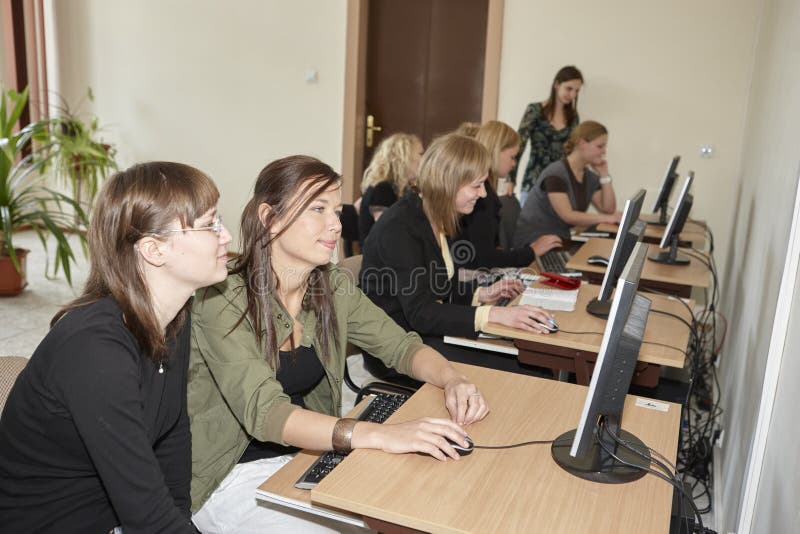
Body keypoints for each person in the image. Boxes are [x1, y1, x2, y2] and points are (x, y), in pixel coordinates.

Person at [189, 155, 489, 533]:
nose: (336, 224)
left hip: (305, 457)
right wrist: (380, 435)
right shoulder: (223, 297)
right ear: (269, 218)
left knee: (427, 498)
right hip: (228, 476)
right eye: (318, 209)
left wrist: (451, 379)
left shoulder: (330, 284)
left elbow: (401, 347)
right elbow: (267, 414)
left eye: (336, 209)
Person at [0, 162, 232, 533]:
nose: (227, 236)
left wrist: (182, 518)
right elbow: (146, 516)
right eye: (209, 225)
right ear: (154, 250)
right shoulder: (93, 349)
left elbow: (173, 434)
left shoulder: (173, 318)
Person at [360, 134, 556, 377]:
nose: (483, 194)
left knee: (533, 362)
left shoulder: (433, 216)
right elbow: (421, 312)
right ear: (447, 183)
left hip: (422, 334)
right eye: (476, 185)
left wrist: (480, 293)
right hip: (399, 347)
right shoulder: (399, 228)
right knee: (526, 370)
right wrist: (493, 314)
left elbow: (437, 285)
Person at [455, 120, 562, 270]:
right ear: (496, 151)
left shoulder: (485, 191)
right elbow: (486, 259)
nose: (514, 164)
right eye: (512, 157)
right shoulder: (481, 196)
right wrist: (531, 251)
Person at [513, 120, 622, 247]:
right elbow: (568, 216)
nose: (604, 151)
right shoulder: (555, 174)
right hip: (535, 241)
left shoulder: (588, 176)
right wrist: (608, 219)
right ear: (581, 143)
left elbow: (608, 208)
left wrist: (604, 175)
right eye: (600, 146)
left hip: (558, 238)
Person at [511, 65, 584, 204]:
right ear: (557, 85)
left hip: (561, 185)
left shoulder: (573, 117)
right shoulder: (535, 110)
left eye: (577, 91)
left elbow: (574, 152)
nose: (573, 95)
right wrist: (510, 179)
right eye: (569, 89)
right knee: (527, 224)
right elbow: (518, 145)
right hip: (534, 181)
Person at [358, 132, 423, 243]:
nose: (425, 159)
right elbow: (387, 234)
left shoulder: (402, 188)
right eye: (421, 153)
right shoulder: (382, 189)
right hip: (381, 257)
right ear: (404, 158)